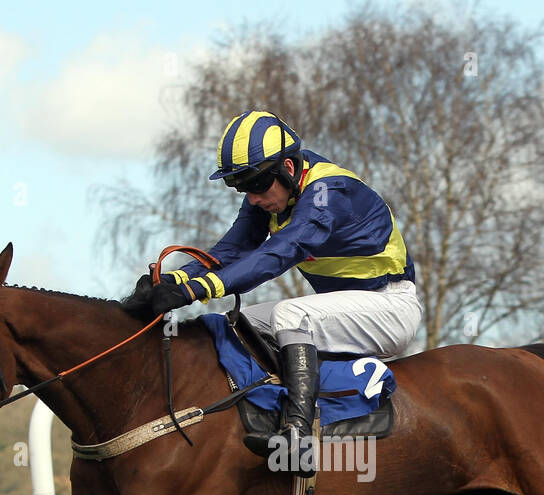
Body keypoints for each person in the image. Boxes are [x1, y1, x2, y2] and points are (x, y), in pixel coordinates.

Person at [121, 110, 422, 473]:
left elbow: (282, 250)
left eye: (258, 186)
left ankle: (298, 435)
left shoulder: (329, 192)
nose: (252, 199)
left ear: (289, 169)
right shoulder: (275, 191)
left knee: (289, 315)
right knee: (240, 322)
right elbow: (232, 249)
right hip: (347, 308)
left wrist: (200, 289)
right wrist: (175, 281)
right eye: (242, 189)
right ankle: (265, 411)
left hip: (390, 308)